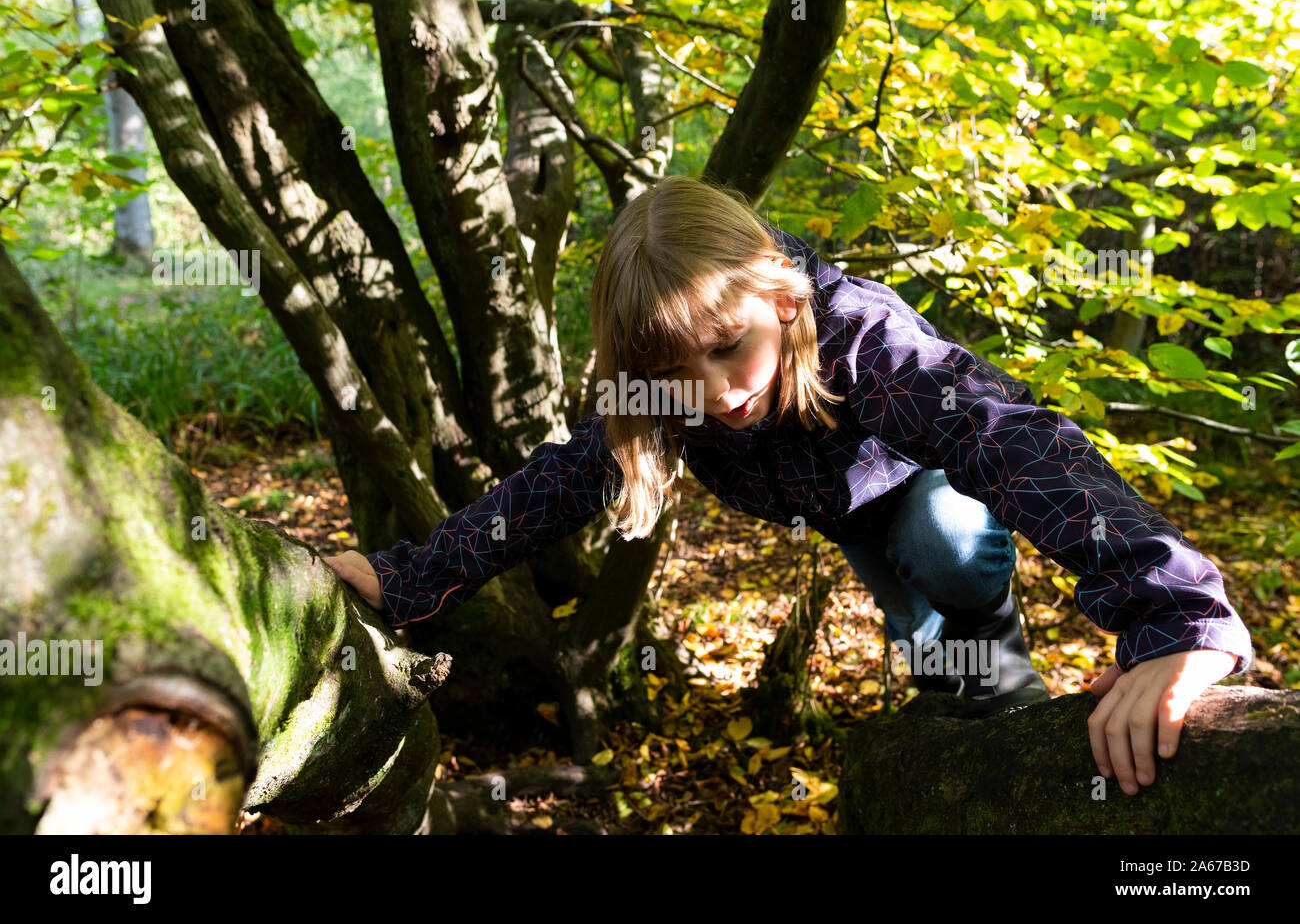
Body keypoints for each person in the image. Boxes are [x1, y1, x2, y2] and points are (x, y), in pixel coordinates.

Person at [327, 174, 1252, 798]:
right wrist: (408, 578)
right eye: (686, 370)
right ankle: (985, 735)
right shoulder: (667, 386)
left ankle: (997, 653)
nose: (722, 393)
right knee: (941, 670)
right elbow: (553, 486)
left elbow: (1003, 437)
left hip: (925, 484)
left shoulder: (861, 340)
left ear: (780, 296)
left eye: (732, 349)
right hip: (844, 515)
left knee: (941, 548)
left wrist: (1172, 616)